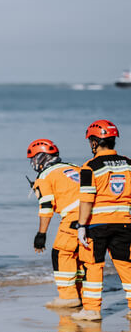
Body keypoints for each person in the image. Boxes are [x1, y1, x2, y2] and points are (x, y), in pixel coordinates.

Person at [72, 120, 131, 321]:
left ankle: (92, 310)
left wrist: (81, 226)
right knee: (126, 265)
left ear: (95, 142)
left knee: (94, 266)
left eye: (91, 141)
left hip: (97, 225)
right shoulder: (129, 163)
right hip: (124, 222)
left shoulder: (90, 167)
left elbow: (87, 200)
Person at [27, 138, 83, 308]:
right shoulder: (74, 167)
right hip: (97, 216)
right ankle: (81, 293)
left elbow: (46, 207)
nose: (32, 163)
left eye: (33, 159)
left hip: (74, 217)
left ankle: (68, 297)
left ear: (40, 158)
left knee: (61, 253)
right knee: (81, 256)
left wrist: (41, 234)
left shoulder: (45, 176)